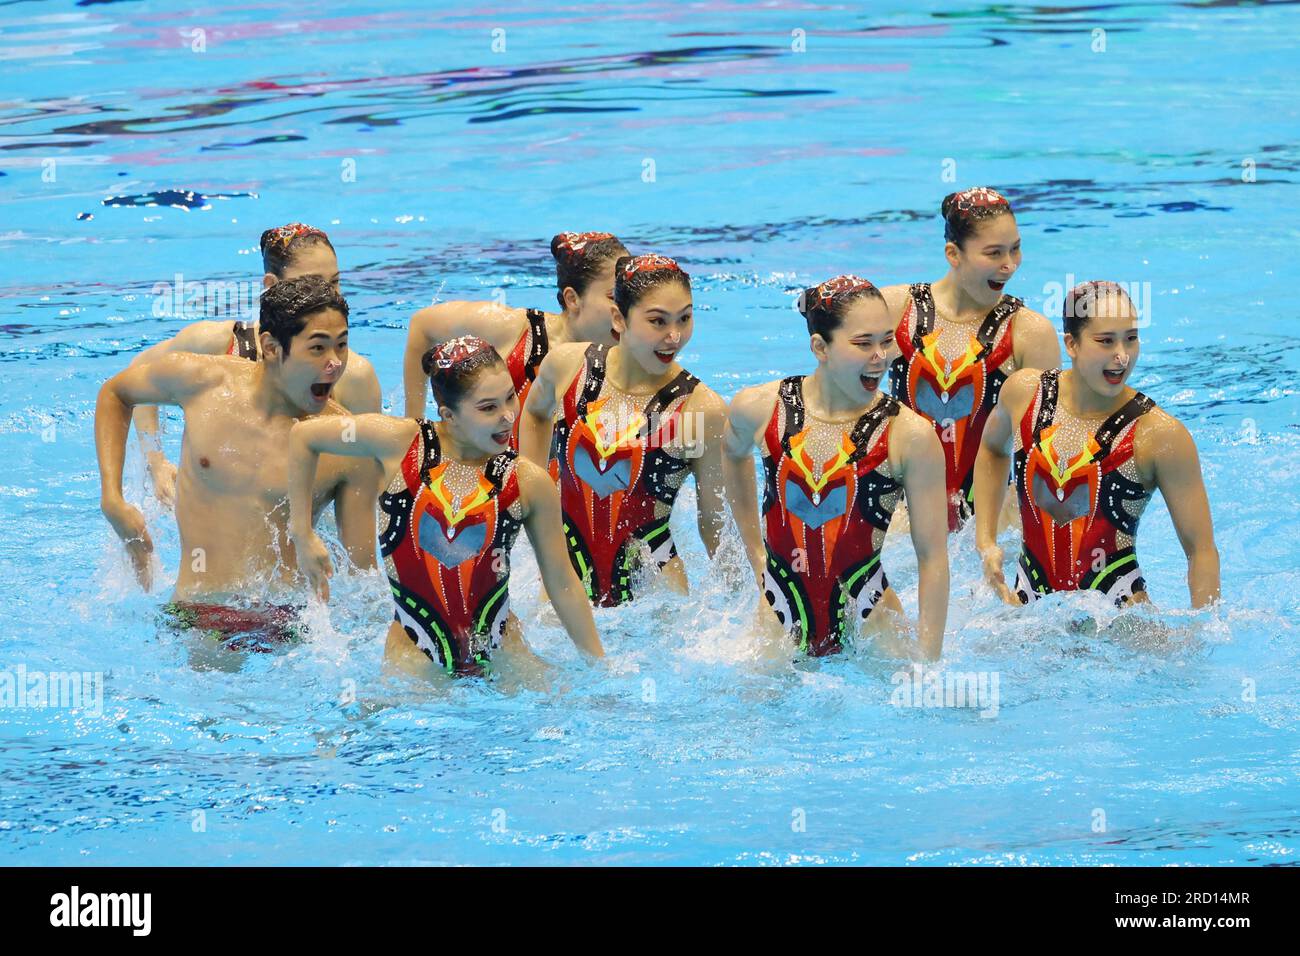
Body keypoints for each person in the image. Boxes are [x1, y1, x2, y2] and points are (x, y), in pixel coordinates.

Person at [287, 336, 605, 677]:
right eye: (488, 408)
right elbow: (305, 438)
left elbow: (563, 582)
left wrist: (600, 667)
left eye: (510, 398)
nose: (508, 416)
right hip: (414, 656)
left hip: (502, 652)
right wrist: (303, 533)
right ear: (448, 415)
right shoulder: (401, 444)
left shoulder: (527, 480)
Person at [95, 275, 381, 644]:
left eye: (341, 346)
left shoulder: (347, 447)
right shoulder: (204, 383)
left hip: (290, 628)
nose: (334, 363)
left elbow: (364, 581)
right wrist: (113, 500)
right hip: (196, 612)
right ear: (272, 347)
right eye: (318, 348)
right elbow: (116, 393)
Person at [724, 276, 950, 660]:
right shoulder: (759, 408)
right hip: (778, 615)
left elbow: (932, 558)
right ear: (820, 347)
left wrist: (928, 661)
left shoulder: (909, 435)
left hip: (870, 619)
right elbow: (732, 455)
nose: (880, 356)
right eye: (863, 343)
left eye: (886, 340)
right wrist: (756, 555)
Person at [972, 280, 1220, 607]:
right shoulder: (1024, 394)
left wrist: (1202, 633)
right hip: (1027, 609)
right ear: (1071, 344)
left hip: (1120, 628)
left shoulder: (1159, 436)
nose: (1122, 356)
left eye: (1131, 339)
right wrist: (986, 541)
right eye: (1106, 341)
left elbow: (1200, 550)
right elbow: (991, 449)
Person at [519, 253, 728, 607]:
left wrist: (737, 601)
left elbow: (712, 523)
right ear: (619, 317)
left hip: (656, 590)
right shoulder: (568, 368)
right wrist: (530, 488)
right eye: (657, 321)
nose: (674, 336)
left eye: (685, 319)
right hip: (567, 574)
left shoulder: (700, 409)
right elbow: (535, 415)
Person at [130, 222, 383, 506]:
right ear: (271, 286)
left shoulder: (353, 378)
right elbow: (138, 379)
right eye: (310, 283)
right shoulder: (218, 346)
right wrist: (156, 462)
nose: (328, 296)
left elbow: (372, 486)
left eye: (334, 282)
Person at [880, 187, 1061, 531]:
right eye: (993, 253)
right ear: (953, 253)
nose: (1009, 265)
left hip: (991, 519)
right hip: (901, 516)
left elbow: (1043, 453)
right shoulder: (896, 309)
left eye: (1015, 249)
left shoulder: (1029, 333)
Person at [402, 232, 629, 451]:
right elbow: (423, 325)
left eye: (630, 295)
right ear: (572, 299)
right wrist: (415, 428)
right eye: (613, 296)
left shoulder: (637, 354)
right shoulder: (515, 330)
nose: (627, 308)